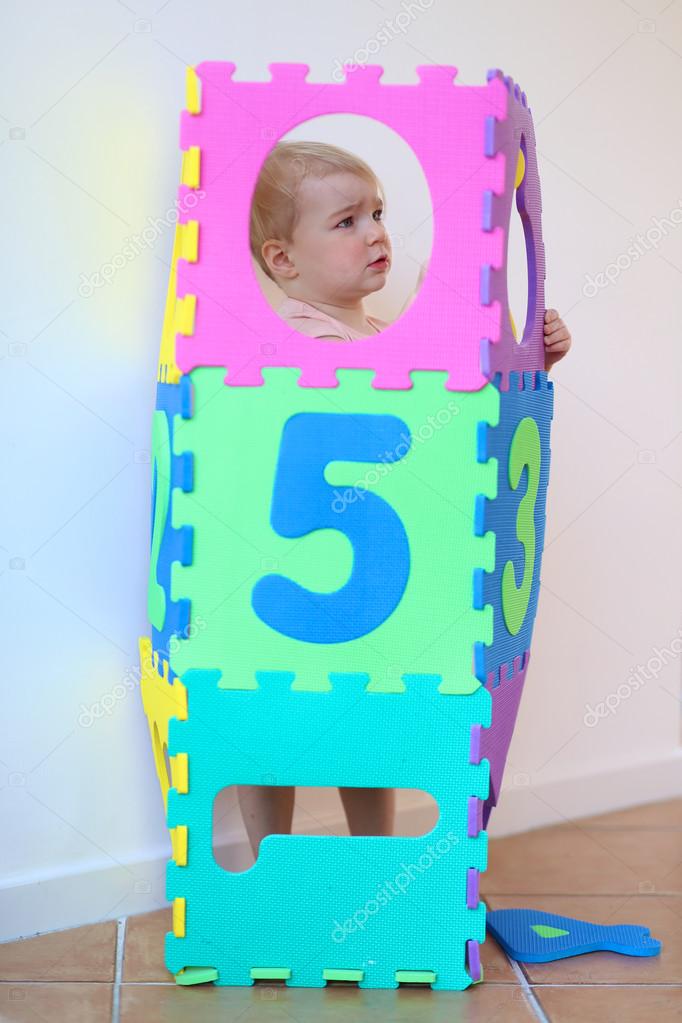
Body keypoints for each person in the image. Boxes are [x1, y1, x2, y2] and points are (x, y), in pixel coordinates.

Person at [242, 140, 571, 858]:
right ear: (284, 261)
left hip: (370, 574)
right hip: (303, 566)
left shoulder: (383, 334)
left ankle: (375, 857)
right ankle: (262, 855)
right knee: (272, 717)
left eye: (379, 214)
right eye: (347, 221)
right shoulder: (298, 332)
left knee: (367, 720)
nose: (376, 233)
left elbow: (456, 403)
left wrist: (526, 356)